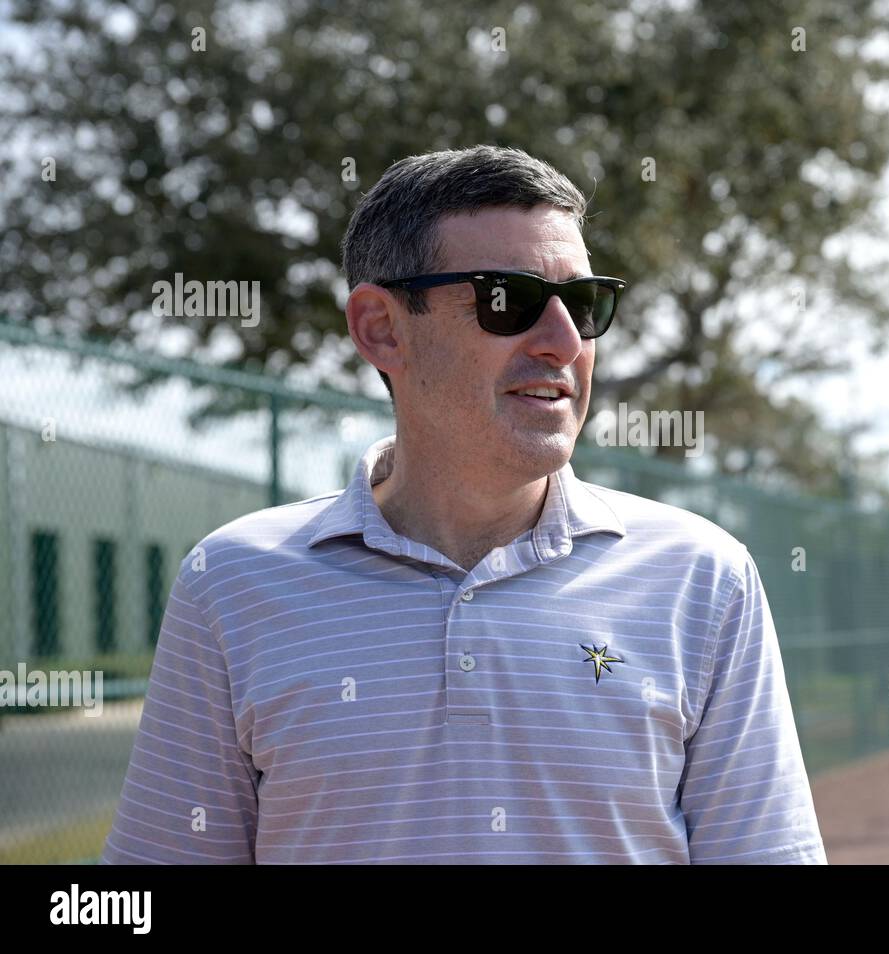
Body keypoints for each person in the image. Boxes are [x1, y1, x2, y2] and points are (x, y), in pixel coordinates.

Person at [101, 145, 826, 865]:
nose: (565, 341)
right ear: (381, 328)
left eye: (585, 303)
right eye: (508, 300)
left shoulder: (703, 578)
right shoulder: (230, 584)